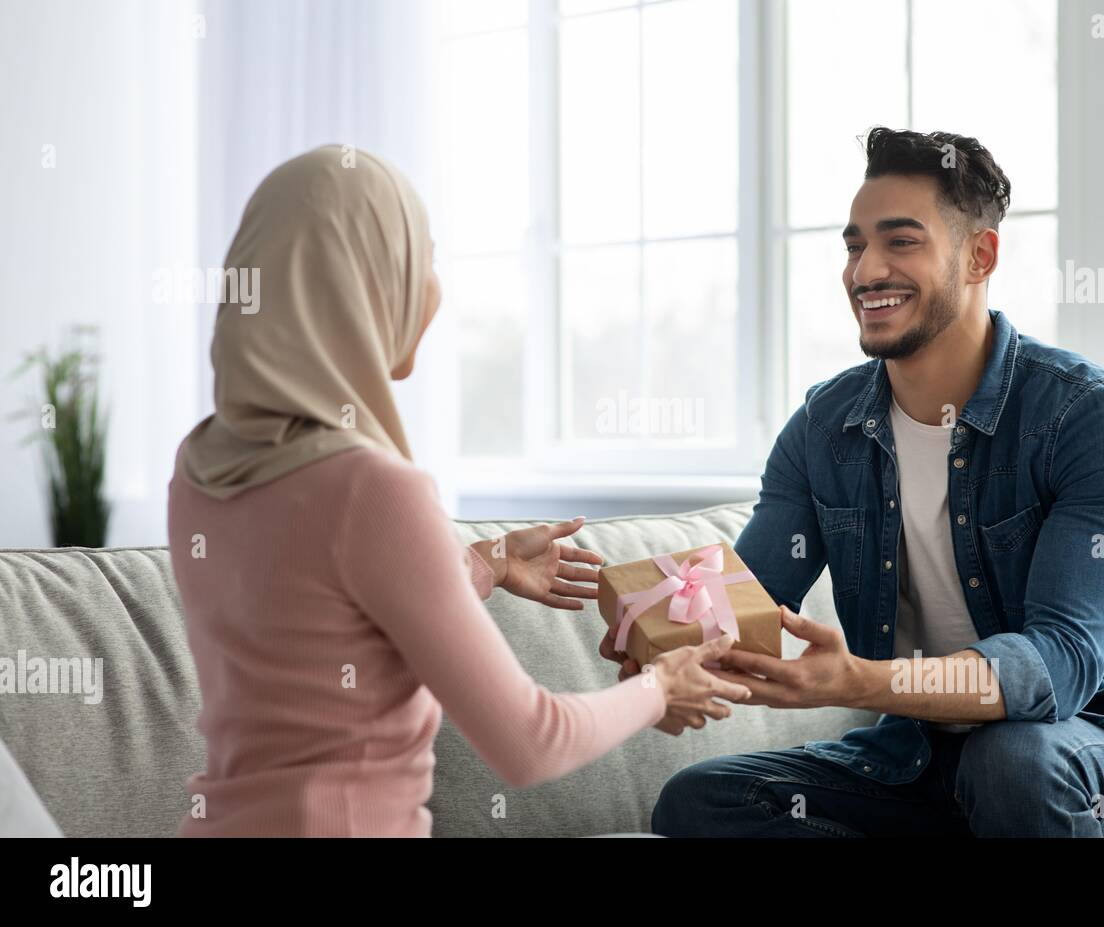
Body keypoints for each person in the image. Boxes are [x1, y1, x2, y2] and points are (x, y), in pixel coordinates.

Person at [609, 127, 1104, 838]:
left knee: (1012, 762)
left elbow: (1060, 667)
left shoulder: (1094, 418)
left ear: (980, 256)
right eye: (855, 246)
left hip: (1081, 754)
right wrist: (661, 648)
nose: (865, 271)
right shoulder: (825, 426)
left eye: (901, 241)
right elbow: (749, 597)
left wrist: (861, 680)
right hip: (912, 758)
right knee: (700, 800)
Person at [168, 145, 751, 836]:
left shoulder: (200, 465)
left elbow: (326, 627)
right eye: (424, 258)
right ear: (362, 282)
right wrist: (661, 688)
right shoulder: (372, 488)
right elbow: (531, 739)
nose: (434, 288)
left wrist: (487, 562)